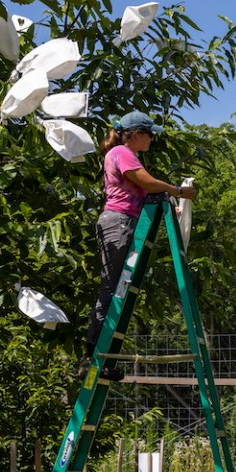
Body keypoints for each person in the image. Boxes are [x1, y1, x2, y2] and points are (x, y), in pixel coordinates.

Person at [85, 111, 197, 381]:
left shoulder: (125, 154)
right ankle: (91, 356)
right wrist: (177, 191)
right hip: (118, 223)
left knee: (120, 289)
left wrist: (173, 205)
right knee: (111, 288)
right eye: (149, 134)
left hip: (124, 223)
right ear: (136, 134)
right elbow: (145, 181)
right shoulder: (122, 152)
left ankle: (105, 358)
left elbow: (144, 190)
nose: (152, 140)